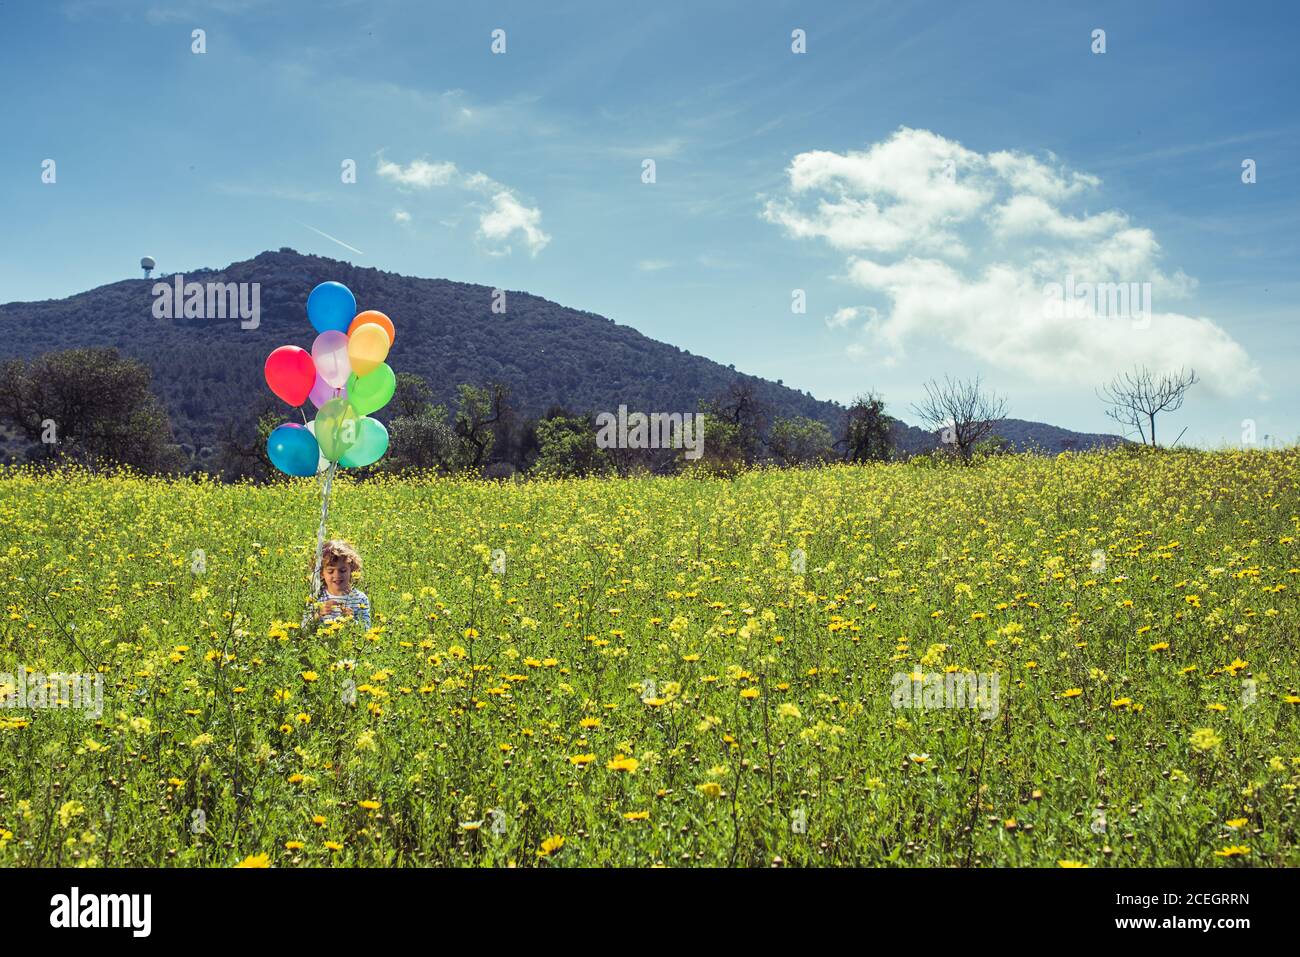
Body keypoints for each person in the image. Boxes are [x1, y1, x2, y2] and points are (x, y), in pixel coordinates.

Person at [301, 539, 372, 632]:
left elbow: (366, 630)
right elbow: (304, 629)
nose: (337, 575)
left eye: (342, 570)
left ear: (352, 570)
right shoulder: (315, 597)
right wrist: (318, 614)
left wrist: (351, 620)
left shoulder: (359, 599)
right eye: (330, 571)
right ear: (321, 573)